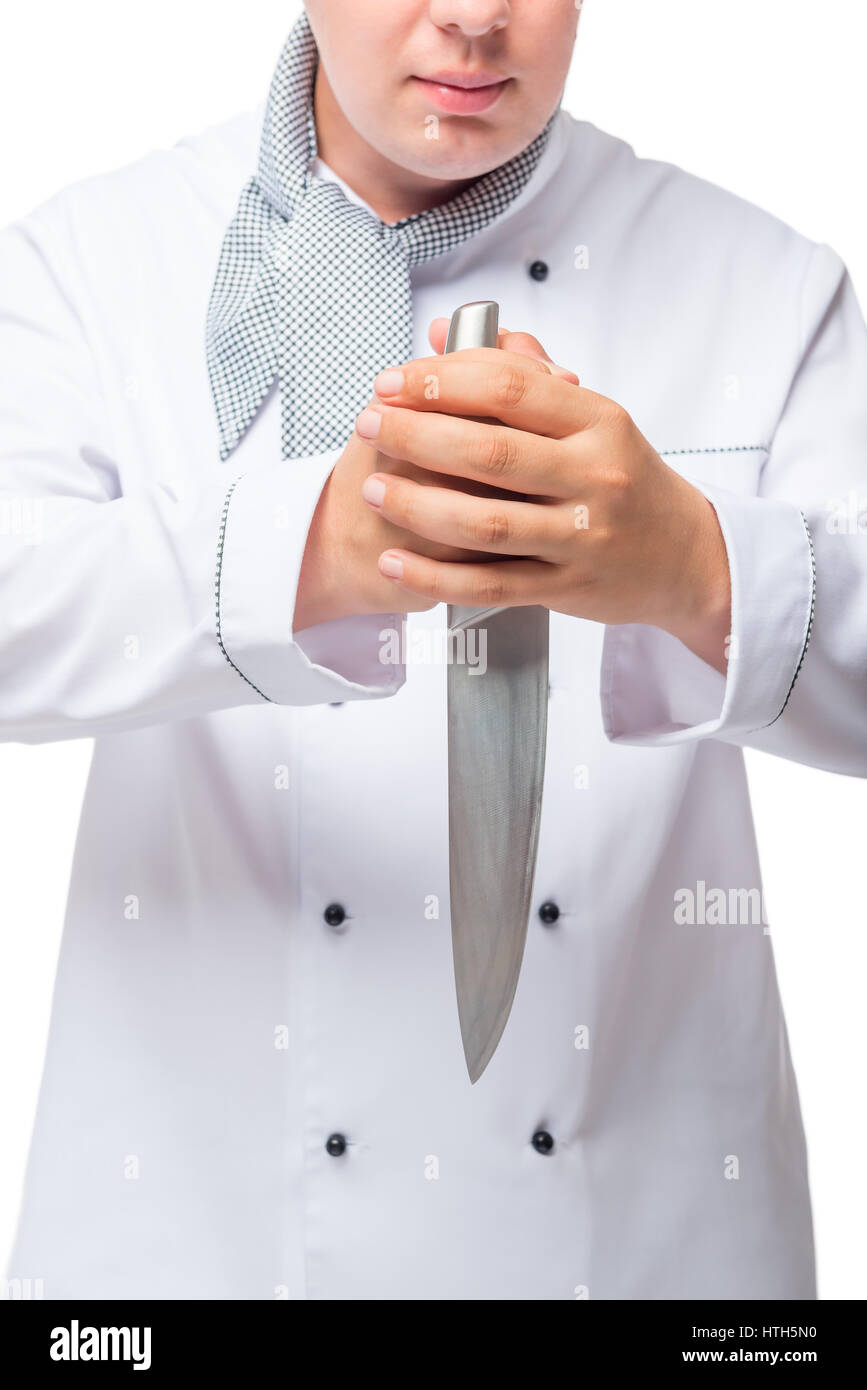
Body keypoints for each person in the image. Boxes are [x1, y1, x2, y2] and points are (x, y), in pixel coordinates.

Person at [1, 0, 865, 1302]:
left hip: (638, 1249)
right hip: (196, 1247)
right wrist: (308, 557)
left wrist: (696, 565)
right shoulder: (93, 259)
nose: (473, 17)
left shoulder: (768, 285)